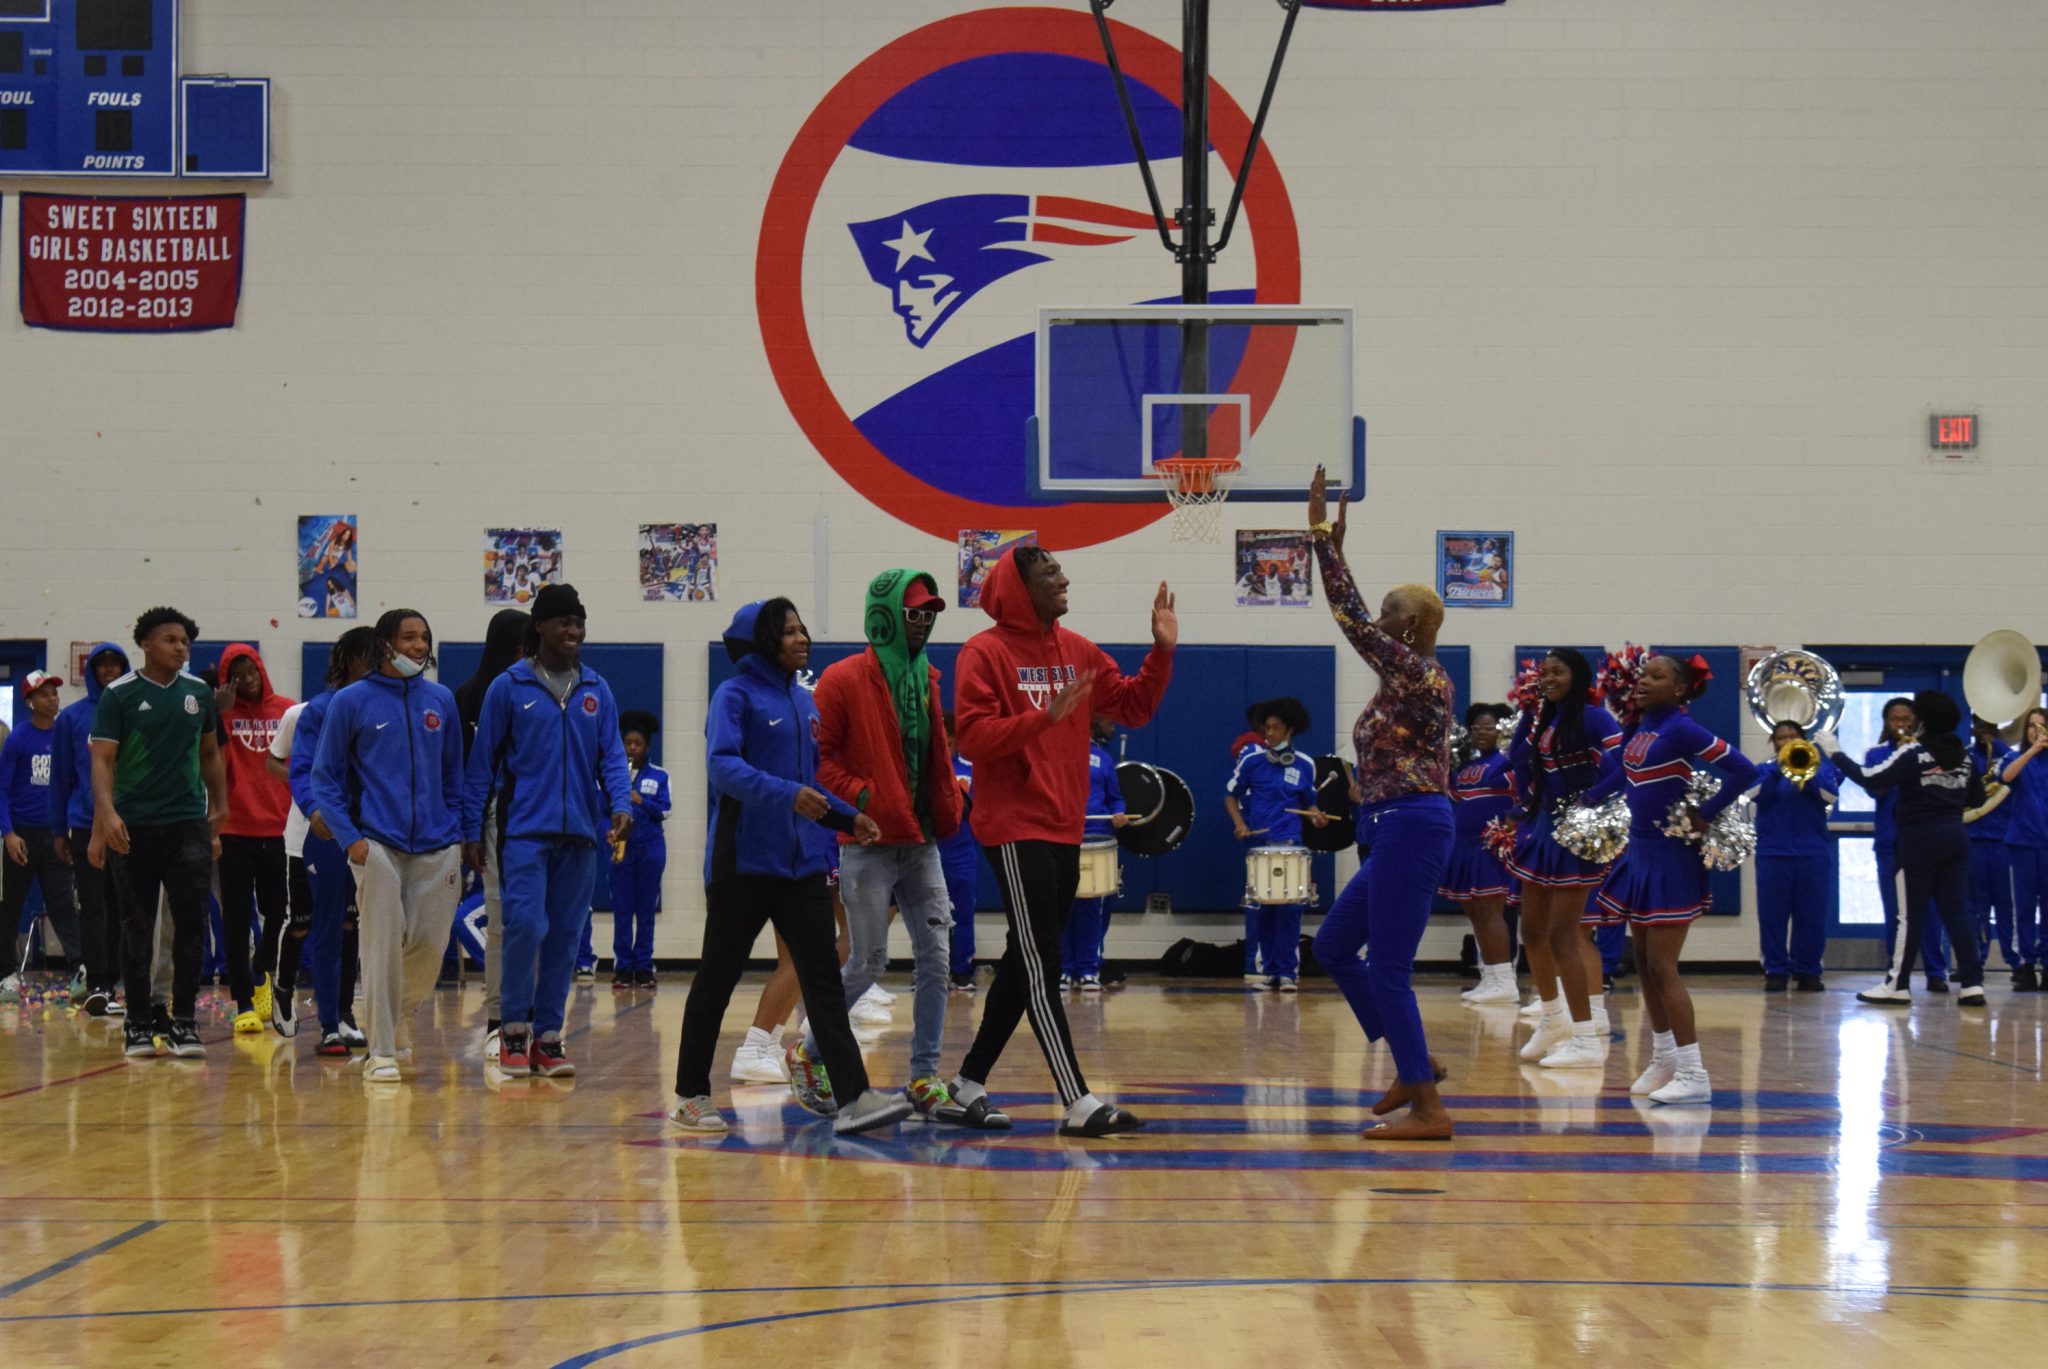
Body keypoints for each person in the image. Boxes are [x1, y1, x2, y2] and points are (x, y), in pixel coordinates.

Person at [947, 545, 1175, 1138]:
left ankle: (967, 1084)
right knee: (1043, 960)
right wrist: (1041, 719)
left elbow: (1133, 706)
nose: (1064, 578)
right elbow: (971, 736)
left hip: (1064, 825)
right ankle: (1077, 1101)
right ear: (1022, 589)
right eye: (1050, 573)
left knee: (1025, 960)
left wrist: (1162, 651)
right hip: (1014, 825)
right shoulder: (985, 652)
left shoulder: (1076, 650)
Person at [667, 598, 907, 1136]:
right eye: (791, 631)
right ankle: (689, 1095)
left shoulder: (804, 702)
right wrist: (786, 795)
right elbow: (724, 767)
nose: (803, 639)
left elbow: (812, 783)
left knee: (823, 983)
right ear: (763, 641)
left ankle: (854, 1098)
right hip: (744, 865)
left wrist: (851, 816)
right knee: (717, 978)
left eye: (803, 629)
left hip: (801, 869)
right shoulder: (734, 695)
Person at [1305, 466, 1457, 1141]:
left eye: (1391, 613)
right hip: (1391, 824)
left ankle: (1429, 1109)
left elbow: (1351, 620)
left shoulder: (1419, 670)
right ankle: (1413, 1058)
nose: (1380, 622)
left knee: (1390, 967)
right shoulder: (1405, 678)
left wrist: (1323, 544)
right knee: (1336, 946)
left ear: (1415, 624)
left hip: (1414, 827)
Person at [795, 567, 975, 1123]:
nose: (921, 624)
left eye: (929, 616)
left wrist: (947, 801)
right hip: (868, 841)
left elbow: (934, 756)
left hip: (922, 842)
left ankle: (924, 1077)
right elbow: (821, 763)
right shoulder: (844, 678)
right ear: (887, 616)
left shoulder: (929, 678)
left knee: (937, 958)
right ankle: (810, 1050)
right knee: (869, 960)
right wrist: (864, 799)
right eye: (913, 613)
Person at [462, 585, 633, 1078]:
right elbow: (481, 767)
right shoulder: (508, 688)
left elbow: (612, 760)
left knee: (564, 936)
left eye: (579, 622)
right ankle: (514, 1030)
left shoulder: (597, 690)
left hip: (580, 835)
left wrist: (620, 804)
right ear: (540, 627)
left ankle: (550, 1037)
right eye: (563, 622)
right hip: (525, 834)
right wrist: (471, 828)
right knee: (525, 925)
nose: (573, 631)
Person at [1578, 656, 1758, 1100]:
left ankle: (1695, 1075)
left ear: (1679, 689)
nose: (1643, 681)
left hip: (1669, 859)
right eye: (1643, 674)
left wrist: (1706, 815)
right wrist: (1589, 797)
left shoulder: (1682, 728)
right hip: (1639, 854)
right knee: (1643, 964)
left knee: (1663, 967)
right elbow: (1626, 773)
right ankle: (1664, 1060)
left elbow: (1745, 770)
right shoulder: (1645, 726)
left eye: (1656, 676)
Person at [308, 610, 465, 1081]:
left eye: (424, 636)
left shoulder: (442, 700)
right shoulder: (351, 701)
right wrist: (350, 838)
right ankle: (381, 1051)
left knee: (428, 946)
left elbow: (454, 775)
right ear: (385, 645)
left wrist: (457, 829)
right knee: (380, 946)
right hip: (375, 843)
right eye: (409, 637)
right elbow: (324, 777)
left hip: (439, 844)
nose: (419, 646)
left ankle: (401, 1017)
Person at [92, 607, 228, 1059]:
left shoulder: (198, 694)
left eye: (185, 641)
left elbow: (210, 753)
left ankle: (184, 1023)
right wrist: (107, 816)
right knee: (137, 926)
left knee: (190, 922)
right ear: (146, 644)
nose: (180, 647)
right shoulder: (119, 695)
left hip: (187, 822)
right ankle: (137, 1024)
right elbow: (103, 761)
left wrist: (220, 804)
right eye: (171, 640)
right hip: (133, 825)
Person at [1820, 691, 1987, 1006]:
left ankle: (1897, 984)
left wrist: (1835, 752)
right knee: (1956, 911)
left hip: (1918, 840)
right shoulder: (1965, 758)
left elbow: (1870, 777)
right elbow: (1977, 800)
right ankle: (1972, 984)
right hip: (1955, 837)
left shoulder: (1914, 753)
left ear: (1923, 721)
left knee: (1909, 915)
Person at [1504, 648, 1623, 1067]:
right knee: (1531, 932)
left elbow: (1626, 760)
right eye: (1544, 673)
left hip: (1575, 835)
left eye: (1558, 672)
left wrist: (1592, 799)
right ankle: (1553, 1018)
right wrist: (1526, 712)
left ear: (1578, 677)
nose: (1548, 678)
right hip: (1542, 830)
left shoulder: (1594, 717)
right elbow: (1515, 759)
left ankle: (1587, 1038)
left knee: (1563, 935)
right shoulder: (1544, 718)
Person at [288, 628, 378, 1056]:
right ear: (346, 661)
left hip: (379, 833)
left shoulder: (388, 707)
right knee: (328, 926)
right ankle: (328, 1024)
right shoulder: (319, 710)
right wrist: (315, 809)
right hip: (329, 836)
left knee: (361, 928)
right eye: (368, 657)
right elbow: (301, 768)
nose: (376, 665)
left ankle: (348, 1014)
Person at [454, 608, 531, 1059]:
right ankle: (498, 1019)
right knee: (500, 921)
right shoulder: (470, 696)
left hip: (539, 819)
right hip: (491, 819)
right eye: (522, 644)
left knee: (537, 922)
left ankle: (535, 1015)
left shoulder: (541, 690)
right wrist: (470, 831)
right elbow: (467, 770)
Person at [213, 643, 296, 1034]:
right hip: (234, 830)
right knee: (235, 918)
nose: (246, 680)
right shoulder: (220, 716)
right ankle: (244, 1000)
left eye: (251, 672)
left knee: (279, 911)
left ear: (261, 669)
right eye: (237, 675)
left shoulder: (287, 710)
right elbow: (212, 766)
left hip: (280, 829)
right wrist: (222, 713)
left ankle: (262, 969)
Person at [1225, 697, 1326, 992]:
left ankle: (1287, 973)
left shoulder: (1306, 764)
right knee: (1263, 910)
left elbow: (1312, 805)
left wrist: (1317, 817)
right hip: (1259, 845)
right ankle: (1269, 971)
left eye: (1275, 728)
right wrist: (1240, 823)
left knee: (1290, 910)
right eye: (1266, 728)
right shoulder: (1252, 761)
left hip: (1291, 844)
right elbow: (1230, 795)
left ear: (1290, 730)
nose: (1269, 734)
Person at [50, 644, 130, 1016]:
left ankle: (123, 978)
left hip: (128, 824)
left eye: (116, 664)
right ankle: (98, 982)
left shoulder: (132, 710)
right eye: (103, 666)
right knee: (93, 907)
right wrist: (58, 830)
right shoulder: (71, 719)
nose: (110, 671)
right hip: (84, 825)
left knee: (126, 906)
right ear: (93, 672)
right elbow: (61, 778)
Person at [1855, 697, 1949, 990]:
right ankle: (1897, 975)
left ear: (1916, 721)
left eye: (1907, 719)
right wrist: (1900, 759)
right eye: (1896, 719)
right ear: (1886, 722)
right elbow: (1877, 789)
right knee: (1896, 911)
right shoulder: (1875, 755)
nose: (1902, 724)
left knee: (1930, 909)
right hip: (1890, 840)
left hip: (1923, 841)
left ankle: (1936, 972)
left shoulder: (1928, 753)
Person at [1440, 702, 1520, 1005]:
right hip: (1465, 846)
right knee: (1475, 914)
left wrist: (1510, 826)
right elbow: (1455, 797)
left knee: (1491, 914)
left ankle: (1505, 980)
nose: (1481, 733)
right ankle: (1490, 977)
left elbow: (1527, 796)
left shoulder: (1508, 763)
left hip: (1491, 846)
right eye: (1476, 728)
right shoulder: (1467, 767)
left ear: (1502, 731)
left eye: (1489, 727)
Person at [2, 671, 80, 977]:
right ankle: (6, 974)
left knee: (63, 906)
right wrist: (8, 834)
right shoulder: (18, 739)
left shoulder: (64, 734)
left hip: (55, 835)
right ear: (30, 701)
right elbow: (2, 790)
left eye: (54, 693)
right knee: (9, 907)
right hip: (21, 834)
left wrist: (70, 828)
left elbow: (73, 784)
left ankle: (81, 969)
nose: (53, 698)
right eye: (45, 694)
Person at [1753, 720, 1839, 992]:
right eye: (1781, 738)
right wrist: (1779, 770)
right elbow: (1755, 795)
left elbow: (1830, 796)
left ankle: (1808, 971)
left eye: (1792, 736)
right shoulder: (1764, 770)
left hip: (1812, 854)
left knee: (1812, 917)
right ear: (1774, 743)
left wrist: (1808, 774)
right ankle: (1776, 971)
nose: (1786, 741)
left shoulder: (1820, 766)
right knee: (1772, 917)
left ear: (1803, 740)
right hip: (1772, 855)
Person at [1063, 715, 1129, 991]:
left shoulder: (1103, 758)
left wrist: (1119, 811)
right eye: (1109, 722)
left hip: (1098, 836)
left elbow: (1115, 796)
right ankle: (1064, 969)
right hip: (1066, 837)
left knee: (1092, 906)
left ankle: (1089, 968)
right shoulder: (1060, 754)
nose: (1113, 727)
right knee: (1064, 907)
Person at [608, 710, 670, 988]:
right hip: (622, 848)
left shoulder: (659, 776)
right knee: (622, 911)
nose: (632, 748)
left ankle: (644, 966)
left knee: (645, 911)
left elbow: (666, 810)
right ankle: (623, 967)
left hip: (651, 848)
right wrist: (608, 832)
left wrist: (641, 801)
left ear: (647, 746)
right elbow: (601, 810)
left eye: (638, 743)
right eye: (628, 742)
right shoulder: (613, 775)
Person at [1964, 715, 2020, 981]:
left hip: (2003, 841)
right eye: (1978, 726)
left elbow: (2012, 775)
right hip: (1972, 838)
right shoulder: (1965, 756)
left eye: (1988, 728)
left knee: (2007, 905)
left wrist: (1996, 746)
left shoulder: (2008, 756)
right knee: (1976, 906)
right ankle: (1975, 961)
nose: (1982, 732)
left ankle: (2015, 961)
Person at [1998, 705, 2048, 991]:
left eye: (2041, 725)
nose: (2036, 730)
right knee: (2025, 907)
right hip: (2023, 843)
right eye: (2032, 726)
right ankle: (2026, 964)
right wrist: (2032, 750)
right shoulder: (2016, 757)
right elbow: (2006, 777)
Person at [940, 711, 980, 993]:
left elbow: (979, 807)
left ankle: (962, 970)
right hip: (929, 851)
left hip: (961, 851)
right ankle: (929, 970)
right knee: (929, 917)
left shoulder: (969, 767)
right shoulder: (922, 767)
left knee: (963, 913)